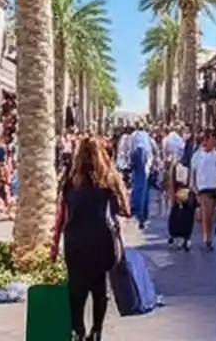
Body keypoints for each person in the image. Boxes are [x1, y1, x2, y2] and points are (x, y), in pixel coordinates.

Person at [50, 136, 129, 341]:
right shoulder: (109, 178)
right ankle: (97, 331)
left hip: (75, 240)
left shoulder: (69, 179)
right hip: (101, 241)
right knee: (99, 287)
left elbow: (61, 214)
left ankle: (78, 330)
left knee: (75, 289)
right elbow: (125, 209)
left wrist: (54, 244)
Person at [189, 130, 216, 252]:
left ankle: (209, 237)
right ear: (206, 141)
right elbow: (193, 173)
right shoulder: (197, 156)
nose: (214, 143)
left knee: (211, 215)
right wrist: (193, 187)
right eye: (212, 140)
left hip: (213, 187)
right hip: (202, 188)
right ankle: (206, 239)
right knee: (206, 214)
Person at [128, 125, 158, 231]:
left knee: (138, 186)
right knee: (144, 189)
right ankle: (143, 214)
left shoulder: (133, 136)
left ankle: (137, 211)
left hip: (138, 162)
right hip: (146, 163)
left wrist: (130, 163)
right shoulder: (147, 136)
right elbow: (155, 149)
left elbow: (130, 149)